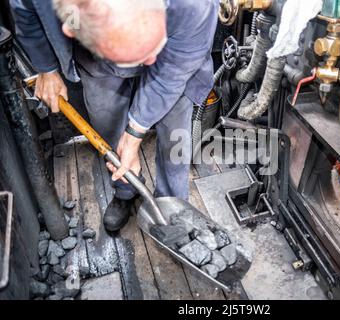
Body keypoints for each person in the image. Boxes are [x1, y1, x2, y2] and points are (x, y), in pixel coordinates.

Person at [10, 0, 218, 231]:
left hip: (174, 58)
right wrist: (46, 68)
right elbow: (25, 9)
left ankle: (173, 204)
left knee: (175, 137)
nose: (148, 63)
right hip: (98, 64)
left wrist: (135, 132)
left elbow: (173, 73)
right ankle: (126, 189)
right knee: (108, 124)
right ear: (72, 25)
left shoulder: (195, 5)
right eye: (135, 56)